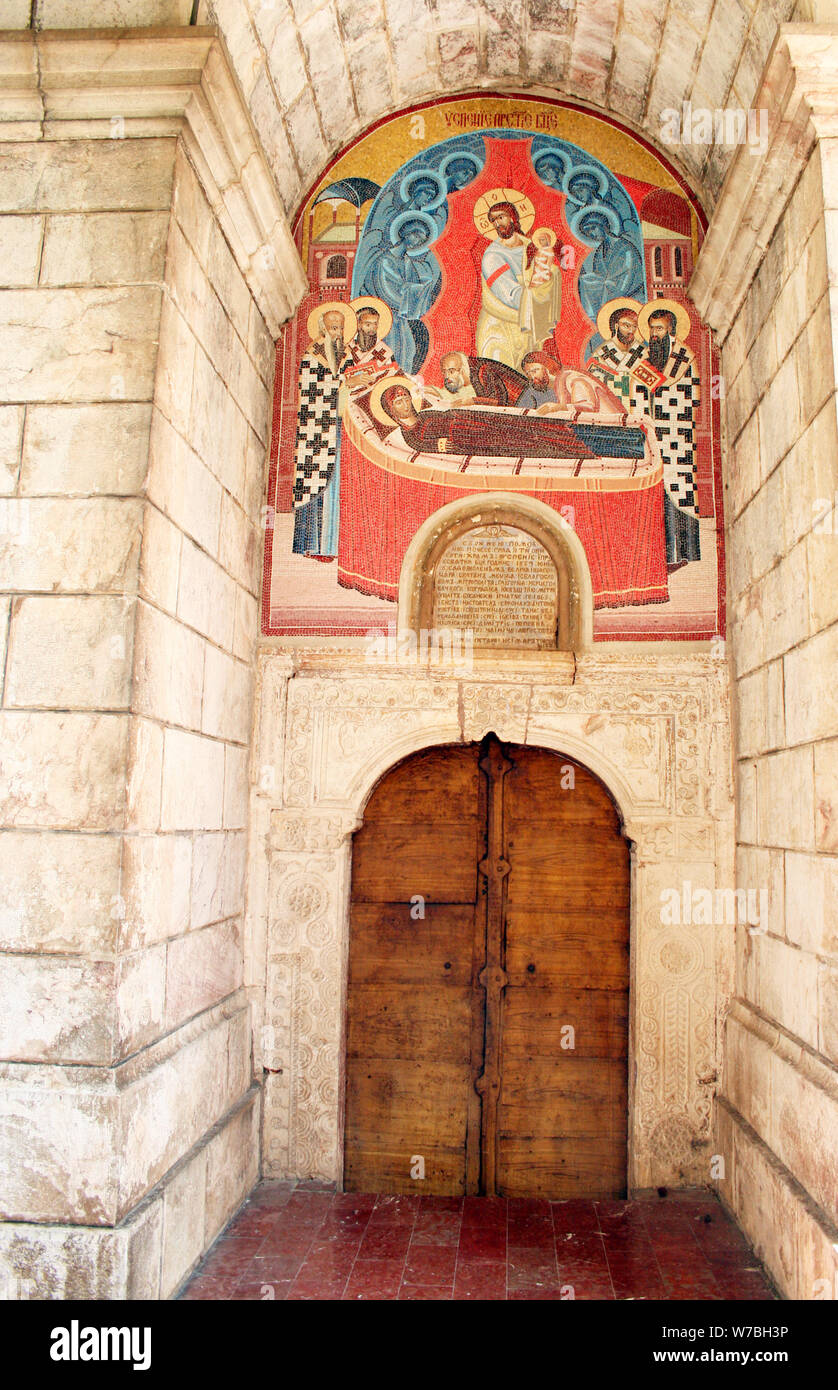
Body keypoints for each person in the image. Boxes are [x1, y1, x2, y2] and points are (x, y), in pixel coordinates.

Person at [377, 380, 644, 461]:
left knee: (549, 427)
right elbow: (443, 445)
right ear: (392, 411)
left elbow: (450, 414)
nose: (405, 403)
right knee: (549, 444)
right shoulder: (412, 437)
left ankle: (630, 437)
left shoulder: (426, 414)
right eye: (398, 402)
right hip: (483, 440)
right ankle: (627, 448)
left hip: (487, 422)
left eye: (405, 397)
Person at [630, 303, 701, 567]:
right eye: (651, 329)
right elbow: (637, 395)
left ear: (671, 330)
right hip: (653, 436)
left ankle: (685, 553)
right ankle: (662, 557)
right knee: (656, 492)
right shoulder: (646, 360)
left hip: (678, 436)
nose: (654, 334)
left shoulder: (684, 358)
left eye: (659, 329)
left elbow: (693, 395)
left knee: (680, 491)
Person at [291, 305, 349, 559]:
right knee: (314, 484)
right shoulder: (312, 355)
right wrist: (344, 382)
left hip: (339, 427)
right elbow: (312, 388)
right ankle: (311, 544)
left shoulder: (345, 354)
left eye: (341, 328)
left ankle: (333, 546)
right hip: (315, 429)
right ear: (323, 328)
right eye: (333, 328)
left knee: (336, 485)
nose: (337, 333)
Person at [476, 199, 561, 370]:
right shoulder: (492, 256)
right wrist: (538, 298)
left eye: (501, 217)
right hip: (499, 329)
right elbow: (509, 294)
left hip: (528, 328)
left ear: (512, 217)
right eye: (494, 221)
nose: (498, 224)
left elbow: (548, 276)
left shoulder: (532, 246)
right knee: (503, 371)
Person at [366, 213, 441, 373]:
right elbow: (388, 293)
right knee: (392, 351)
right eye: (417, 236)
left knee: (409, 350)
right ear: (406, 234)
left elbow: (413, 287)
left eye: (422, 240)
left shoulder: (407, 262)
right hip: (387, 318)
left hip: (401, 319)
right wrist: (419, 290)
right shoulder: (385, 261)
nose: (418, 242)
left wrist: (424, 289)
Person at [576, 208, 645, 328]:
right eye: (587, 231)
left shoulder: (625, 248)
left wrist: (604, 284)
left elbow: (625, 282)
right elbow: (599, 275)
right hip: (608, 293)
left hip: (629, 294)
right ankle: (592, 317)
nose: (591, 233)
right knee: (584, 280)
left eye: (593, 228)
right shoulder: (600, 251)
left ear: (604, 226)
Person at [517, 350, 625, 417]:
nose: (532, 377)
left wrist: (556, 408)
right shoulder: (559, 384)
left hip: (611, 429)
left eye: (534, 370)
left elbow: (588, 406)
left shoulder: (571, 378)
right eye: (528, 373)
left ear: (547, 366)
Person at [586, 300, 646, 408]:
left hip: (638, 407)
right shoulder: (601, 354)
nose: (631, 331)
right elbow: (593, 386)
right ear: (616, 326)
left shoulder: (643, 352)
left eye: (634, 327)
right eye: (626, 326)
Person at [428, 350, 528, 407]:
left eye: (451, 371)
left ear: (463, 369)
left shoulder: (484, 370)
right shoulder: (472, 373)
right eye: (444, 372)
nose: (447, 376)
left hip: (526, 404)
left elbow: (500, 402)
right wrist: (437, 393)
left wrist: (473, 401)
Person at [341, 301, 400, 399]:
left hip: (375, 397)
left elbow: (393, 376)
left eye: (375, 324)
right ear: (358, 325)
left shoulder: (384, 351)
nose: (372, 329)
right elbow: (335, 379)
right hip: (348, 398)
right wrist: (348, 381)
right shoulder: (346, 348)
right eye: (368, 324)